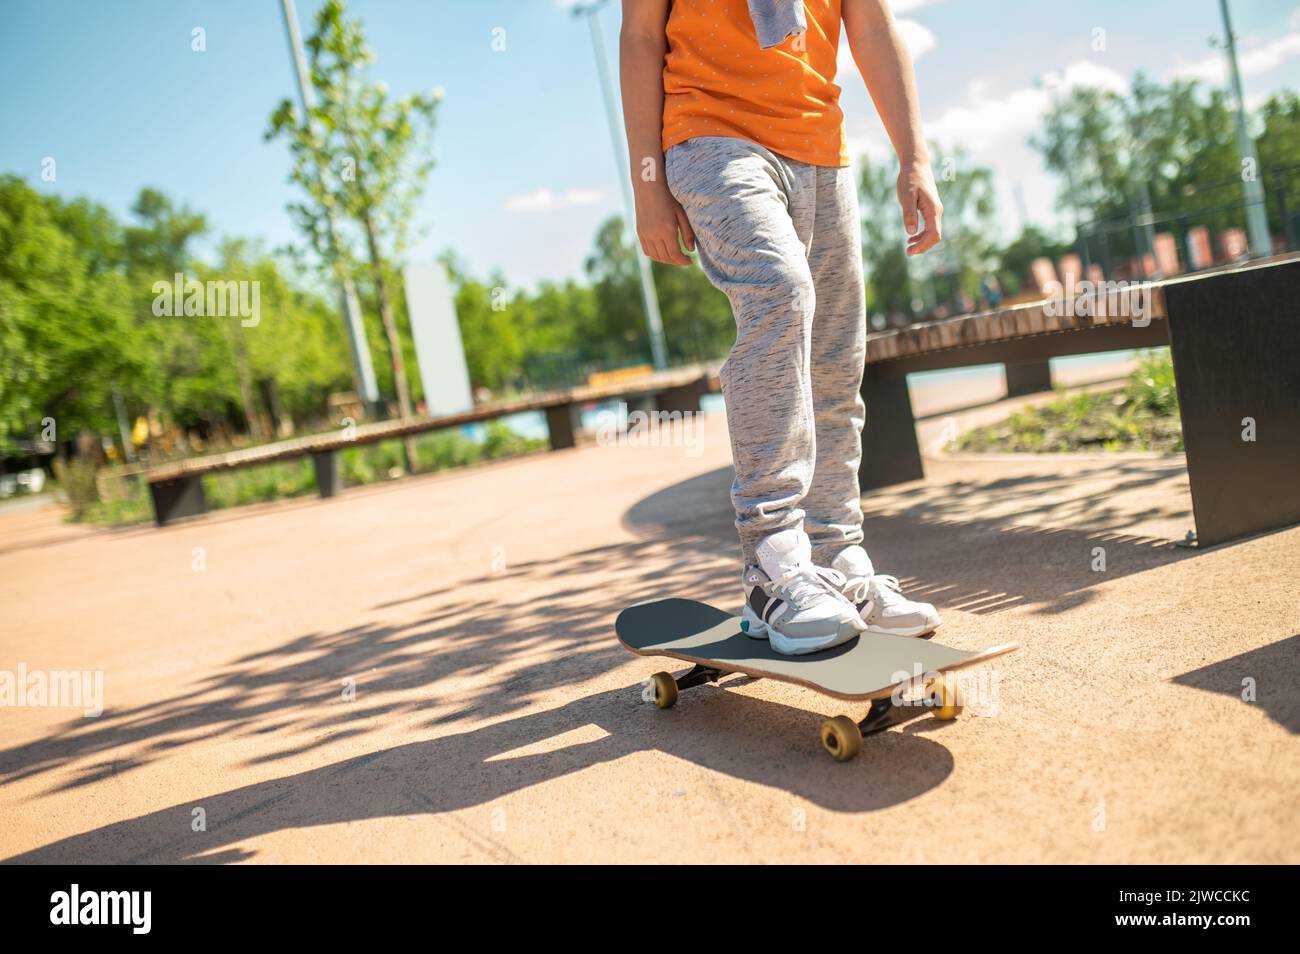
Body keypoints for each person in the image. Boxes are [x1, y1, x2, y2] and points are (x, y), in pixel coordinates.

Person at [620, 0, 943, 655]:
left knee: (834, 352)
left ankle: (837, 553)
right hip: (708, 133)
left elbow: (872, 26)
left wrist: (915, 156)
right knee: (780, 292)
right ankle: (773, 563)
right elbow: (640, 34)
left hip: (820, 147)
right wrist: (647, 184)